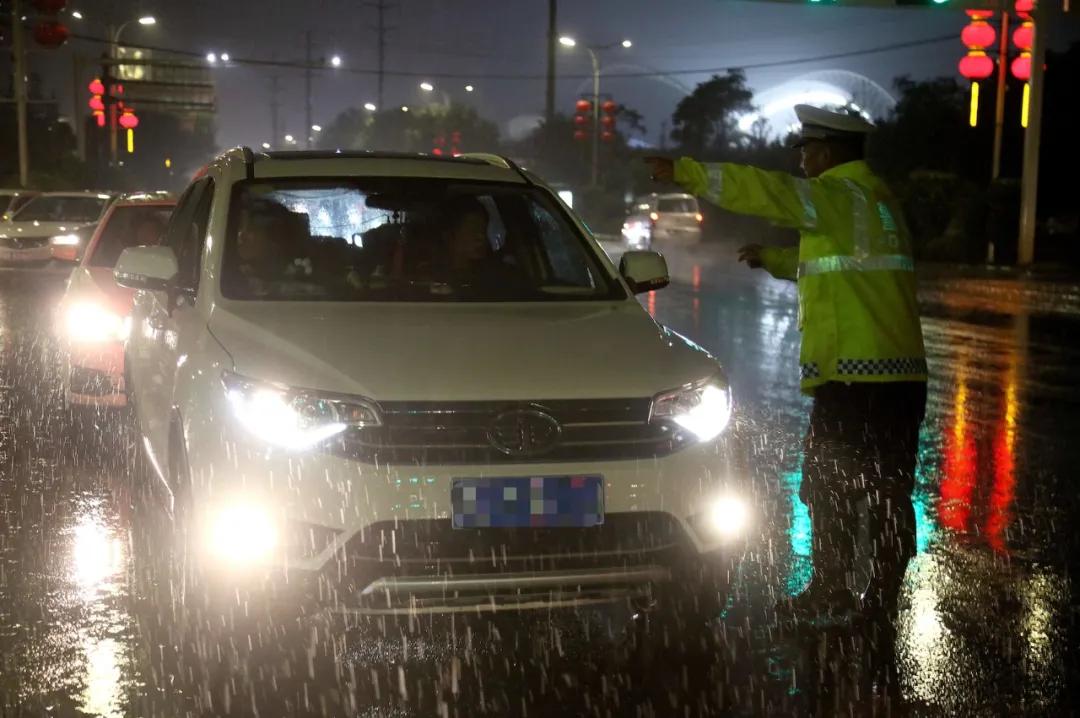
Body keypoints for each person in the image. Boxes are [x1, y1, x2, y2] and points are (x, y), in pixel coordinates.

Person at [646, 105, 927, 622]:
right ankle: (882, 599)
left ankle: (832, 590)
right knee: (888, 489)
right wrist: (774, 260)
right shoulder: (878, 200)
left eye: (806, 151)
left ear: (826, 151)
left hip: (854, 375)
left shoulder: (837, 196)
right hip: (900, 376)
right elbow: (844, 268)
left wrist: (685, 173)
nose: (801, 162)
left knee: (828, 483)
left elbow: (763, 190)